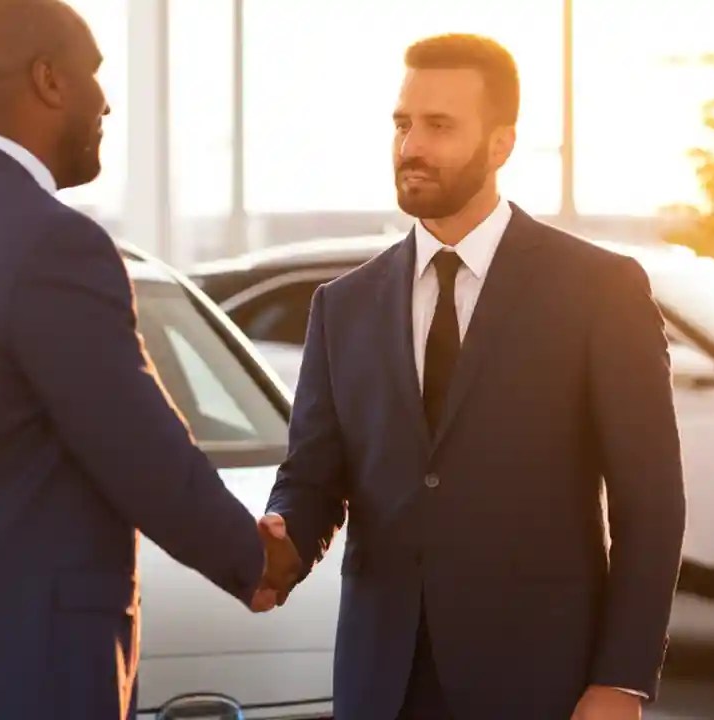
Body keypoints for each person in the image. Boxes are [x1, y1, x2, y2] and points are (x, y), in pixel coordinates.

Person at [0, 1, 299, 718]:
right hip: (14, 680)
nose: (106, 100)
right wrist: (256, 560)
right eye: (94, 74)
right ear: (48, 80)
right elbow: (139, 449)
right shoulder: (51, 243)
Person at [258, 34, 687, 719]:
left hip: (541, 685)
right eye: (402, 124)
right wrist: (277, 543)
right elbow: (314, 478)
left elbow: (652, 505)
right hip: (382, 686)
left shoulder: (599, 290)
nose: (410, 147)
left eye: (439, 126)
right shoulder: (342, 307)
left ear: (500, 145)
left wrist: (621, 679)